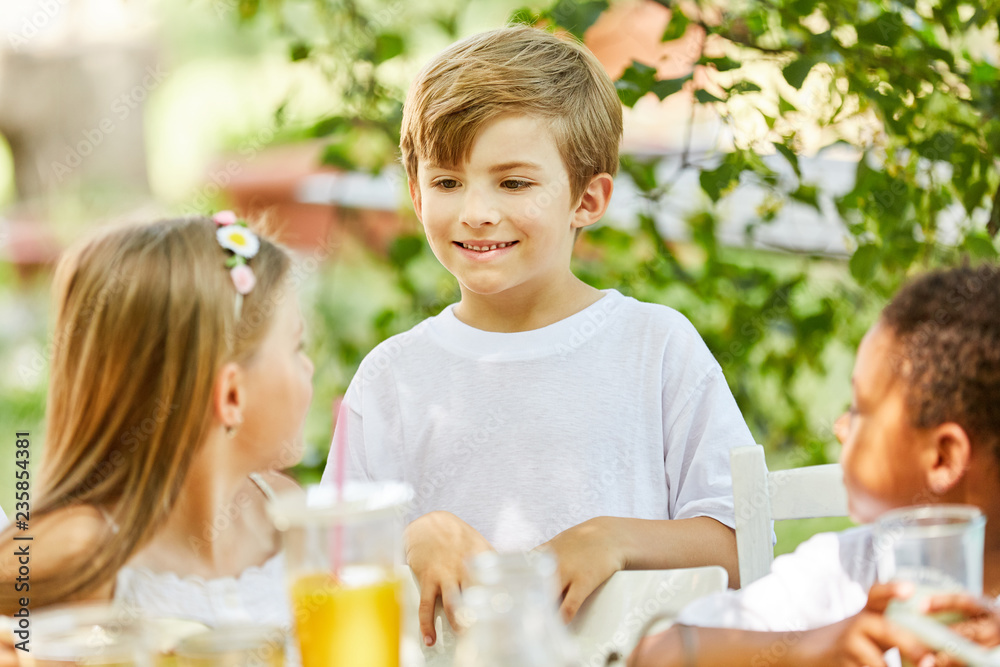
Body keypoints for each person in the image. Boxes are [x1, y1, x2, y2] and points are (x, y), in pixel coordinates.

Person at [320, 24, 756, 647]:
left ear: (588, 199)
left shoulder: (655, 347)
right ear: (416, 194)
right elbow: (331, 564)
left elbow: (742, 543)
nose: (476, 210)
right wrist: (412, 539)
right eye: (447, 182)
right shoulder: (392, 378)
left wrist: (612, 538)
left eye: (514, 182)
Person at [628, 264, 1000, 667]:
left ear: (943, 458)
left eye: (859, 410)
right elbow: (656, 655)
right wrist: (808, 648)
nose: (840, 427)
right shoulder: (841, 573)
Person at [0, 214, 313, 629]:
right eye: (297, 347)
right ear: (232, 395)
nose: (309, 368)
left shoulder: (283, 510)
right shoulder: (75, 551)